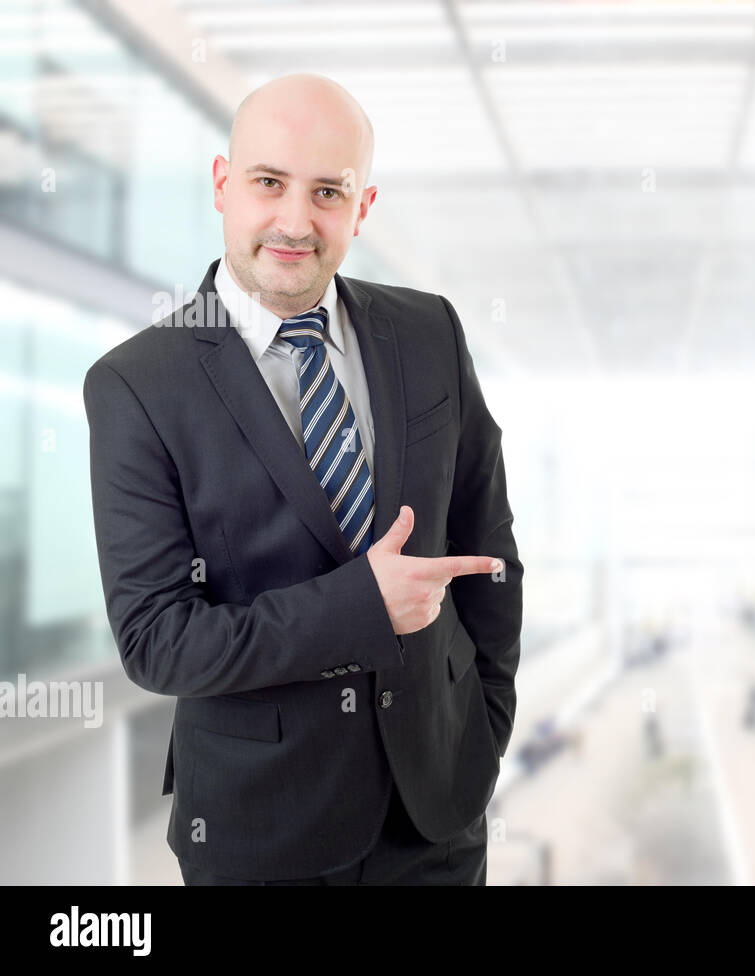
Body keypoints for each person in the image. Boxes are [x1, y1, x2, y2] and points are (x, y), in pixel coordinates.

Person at [82, 73, 523, 884]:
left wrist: (486, 726)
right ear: (223, 185)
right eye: (269, 183)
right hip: (262, 836)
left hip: (437, 818)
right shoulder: (138, 385)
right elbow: (155, 641)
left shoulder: (429, 331)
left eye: (328, 191)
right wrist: (363, 605)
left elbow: (488, 546)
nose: (295, 220)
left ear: (364, 205)